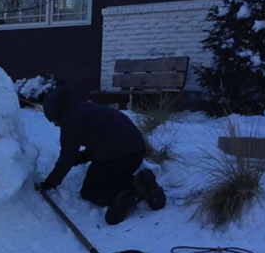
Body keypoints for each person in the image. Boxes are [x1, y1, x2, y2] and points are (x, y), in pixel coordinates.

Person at [34, 86, 167, 225]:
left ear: (57, 112)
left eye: (53, 120)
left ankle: (127, 195)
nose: (55, 125)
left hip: (118, 154)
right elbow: (101, 140)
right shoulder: (82, 109)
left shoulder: (70, 120)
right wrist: (80, 158)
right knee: (111, 178)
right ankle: (142, 181)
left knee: (90, 190)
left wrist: (49, 183)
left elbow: (67, 156)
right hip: (136, 150)